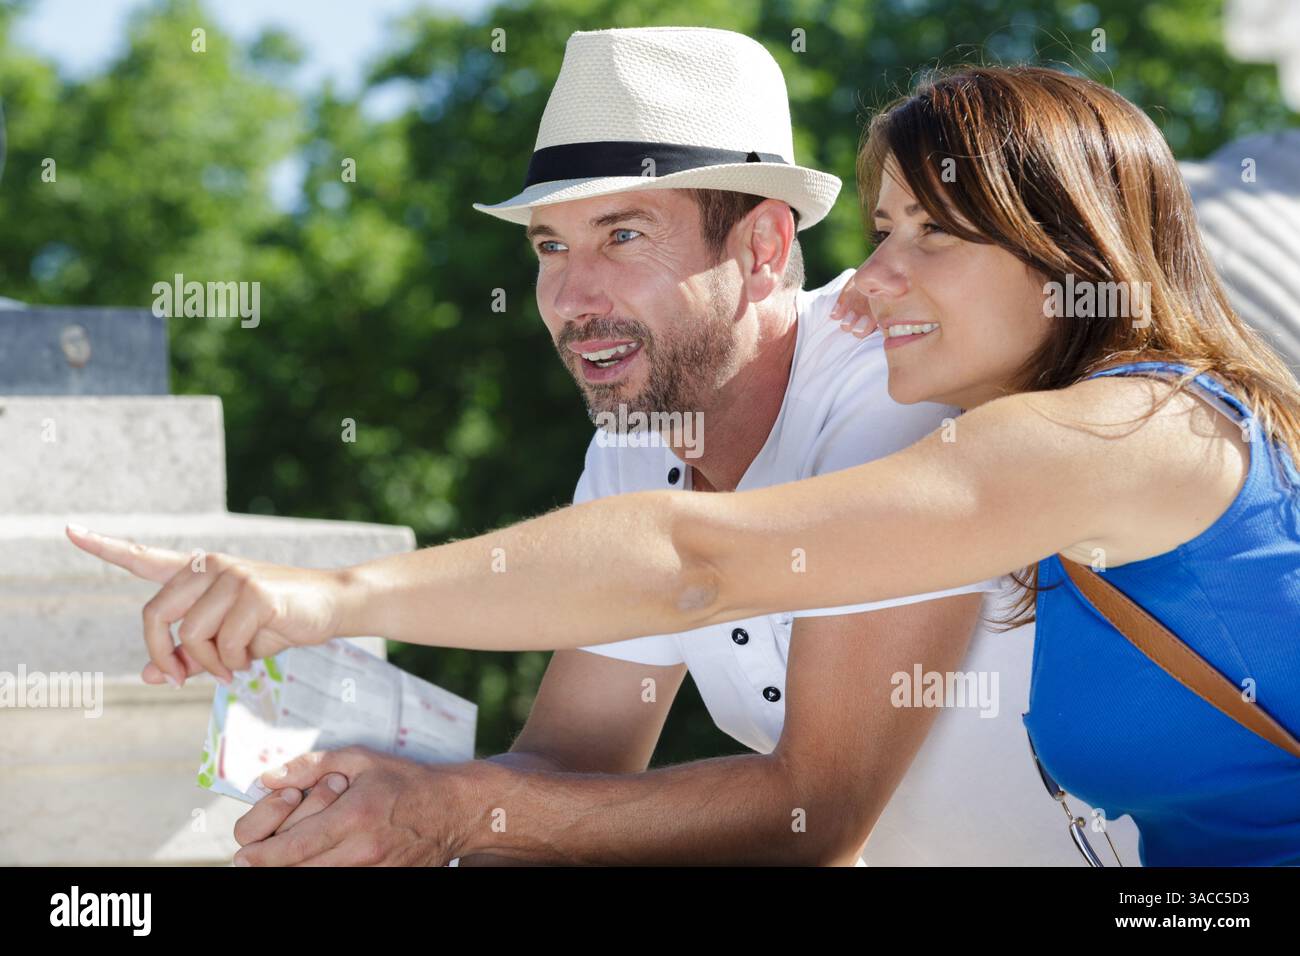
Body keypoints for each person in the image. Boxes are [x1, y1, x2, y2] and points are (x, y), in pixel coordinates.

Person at [70, 63, 1300, 865]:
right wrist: (373, 794)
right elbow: (572, 761)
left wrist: (320, 600)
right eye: (880, 234)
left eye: (932, 236)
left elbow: (704, 582)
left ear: (1060, 249)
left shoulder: (1104, 432)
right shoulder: (656, 444)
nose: (867, 287)